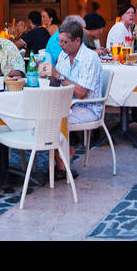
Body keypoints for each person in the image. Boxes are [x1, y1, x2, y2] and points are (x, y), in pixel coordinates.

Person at [44, 17, 102, 173]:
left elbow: (82, 93)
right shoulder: (64, 56)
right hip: (67, 104)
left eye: (64, 42)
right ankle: (65, 151)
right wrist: (45, 75)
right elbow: (58, 82)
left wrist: (58, 76)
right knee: (43, 114)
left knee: (53, 119)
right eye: (59, 41)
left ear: (77, 41)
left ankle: (62, 163)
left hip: (88, 108)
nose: (60, 45)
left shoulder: (90, 58)